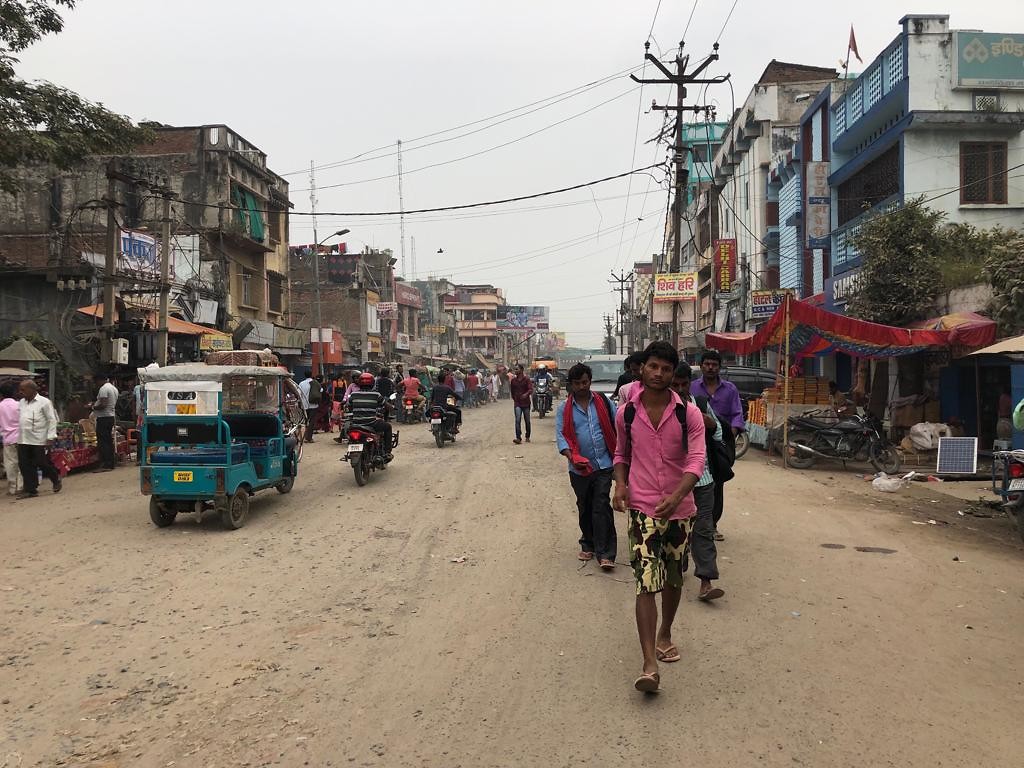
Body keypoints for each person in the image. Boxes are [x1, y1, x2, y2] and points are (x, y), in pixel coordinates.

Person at [612, 342, 706, 693]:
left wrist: (678, 494)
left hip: (680, 510)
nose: (658, 373)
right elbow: (621, 453)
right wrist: (620, 485)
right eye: (653, 366)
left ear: (673, 373)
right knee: (646, 580)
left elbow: (697, 459)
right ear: (642, 368)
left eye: (666, 369)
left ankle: (665, 632)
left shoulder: (688, 414)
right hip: (642, 508)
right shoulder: (627, 413)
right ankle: (649, 663)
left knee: (674, 578)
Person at [671, 364, 725, 601]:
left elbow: (719, 433)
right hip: (674, 482)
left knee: (703, 530)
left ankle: (706, 580)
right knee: (677, 529)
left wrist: (708, 423)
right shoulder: (660, 408)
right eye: (676, 385)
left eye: (684, 384)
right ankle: (679, 563)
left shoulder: (700, 404)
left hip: (703, 481)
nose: (680, 389)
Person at [556, 363, 617, 570]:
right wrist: (571, 456)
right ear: (571, 385)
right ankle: (588, 542)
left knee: (601, 506)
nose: (582, 386)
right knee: (585, 506)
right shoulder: (564, 409)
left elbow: (618, 424)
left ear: (590, 381)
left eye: (585, 382)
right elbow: (561, 436)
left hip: (604, 464)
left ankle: (605, 553)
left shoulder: (604, 402)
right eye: (577, 383)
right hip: (578, 469)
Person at [690, 350, 744, 541]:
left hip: (720, 442)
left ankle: (712, 524)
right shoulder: (692, 387)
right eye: (707, 364)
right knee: (695, 483)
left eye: (714, 364)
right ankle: (693, 522)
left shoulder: (730, 389)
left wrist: (731, 435)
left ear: (720, 367)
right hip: (698, 441)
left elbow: (737, 414)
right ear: (701, 366)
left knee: (717, 483)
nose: (710, 367)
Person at [16, 379, 62, 499]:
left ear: (32, 389)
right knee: (24, 464)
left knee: (41, 462)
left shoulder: (44, 402)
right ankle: (31, 489)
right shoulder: (21, 402)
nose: (20, 392)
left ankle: (55, 478)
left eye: (23, 390)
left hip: (38, 439)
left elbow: (52, 420)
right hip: (23, 438)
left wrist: (50, 437)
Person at [348, 372, 394, 460]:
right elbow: (386, 405)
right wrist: (392, 407)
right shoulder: (376, 395)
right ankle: (387, 452)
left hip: (356, 424)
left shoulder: (354, 394)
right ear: (372, 383)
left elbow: (349, 405)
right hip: (371, 423)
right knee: (388, 427)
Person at [91, 372, 119, 472]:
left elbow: (103, 404)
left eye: (96, 382)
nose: (96, 384)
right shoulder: (113, 388)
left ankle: (106, 464)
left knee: (103, 441)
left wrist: (93, 407)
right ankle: (111, 462)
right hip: (110, 416)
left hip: (103, 417)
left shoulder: (103, 389)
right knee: (108, 440)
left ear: (99, 380)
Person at [1, 382, 22, 496]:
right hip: (21, 438)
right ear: (14, 393)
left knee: (10, 464)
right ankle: (20, 486)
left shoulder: (0, 406)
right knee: (21, 463)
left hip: (7, 439)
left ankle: (12, 488)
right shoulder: (19, 405)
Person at [510, 364, 533, 445]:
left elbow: (530, 389)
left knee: (527, 420)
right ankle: (518, 438)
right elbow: (512, 392)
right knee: (517, 420)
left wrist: (526, 394)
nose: (515, 371)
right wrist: (515, 399)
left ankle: (527, 436)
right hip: (517, 403)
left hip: (526, 403)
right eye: (515, 369)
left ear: (522, 370)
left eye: (517, 369)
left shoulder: (527, 379)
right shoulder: (513, 381)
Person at [298, 372, 318, 442]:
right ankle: (309, 437)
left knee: (306, 421)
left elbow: (299, 393)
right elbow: (320, 390)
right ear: (311, 375)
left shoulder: (301, 383)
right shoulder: (315, 383)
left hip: (304, 405)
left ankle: (305, 436)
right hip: (314, 405)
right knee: (312, 421)